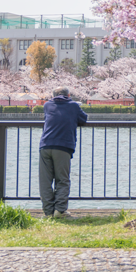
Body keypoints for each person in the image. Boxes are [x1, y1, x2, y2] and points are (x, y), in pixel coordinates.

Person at [39, 86, 88, 219]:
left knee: (45, 180)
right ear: (69, 95)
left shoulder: (47, 105)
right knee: (62, 179)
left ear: (53, 95)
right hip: (63, 146)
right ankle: (60, 211)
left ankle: (48, 212)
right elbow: (84, 119)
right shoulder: (73, 106)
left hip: (45, 145)